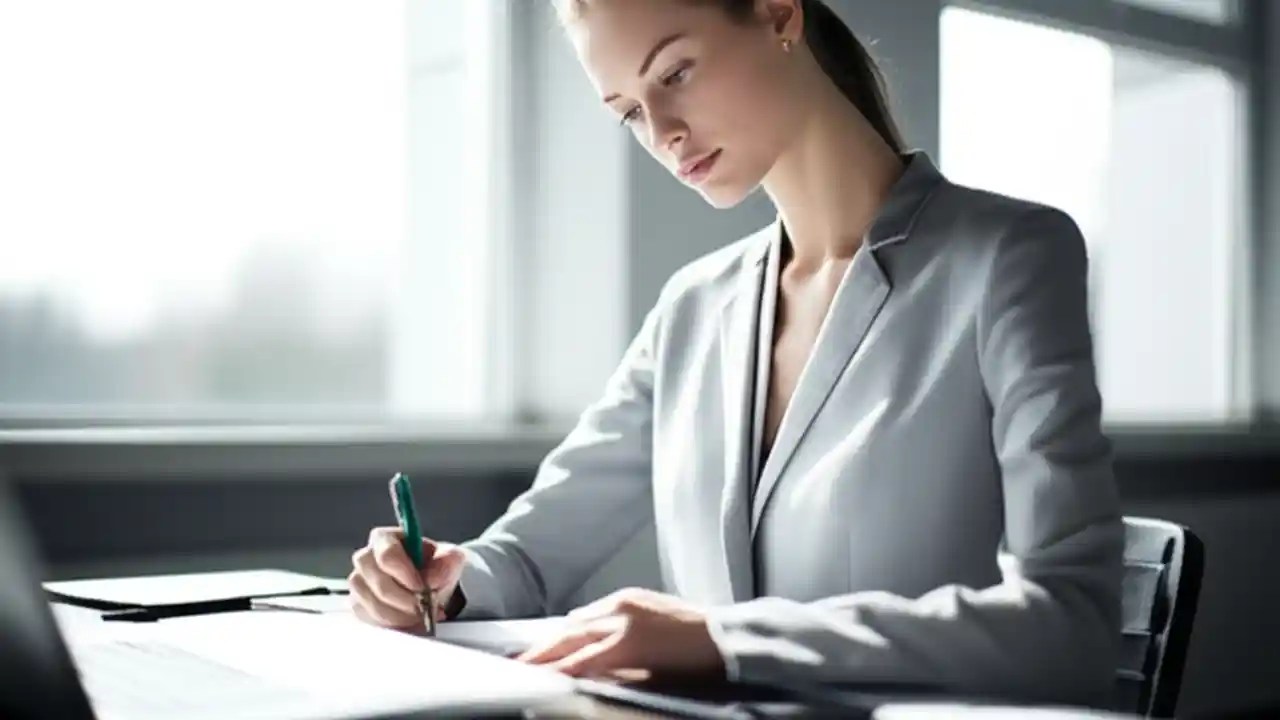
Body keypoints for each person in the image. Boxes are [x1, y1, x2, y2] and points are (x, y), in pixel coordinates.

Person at [349, 0, 1123, 707]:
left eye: (675, 73)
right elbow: (526, 559)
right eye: (627, 113)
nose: (662, 131)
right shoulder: (694, 306)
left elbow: (1070, 627)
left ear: (777, 13)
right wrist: (441, 581)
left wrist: (725, 641)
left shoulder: (1009, 257)